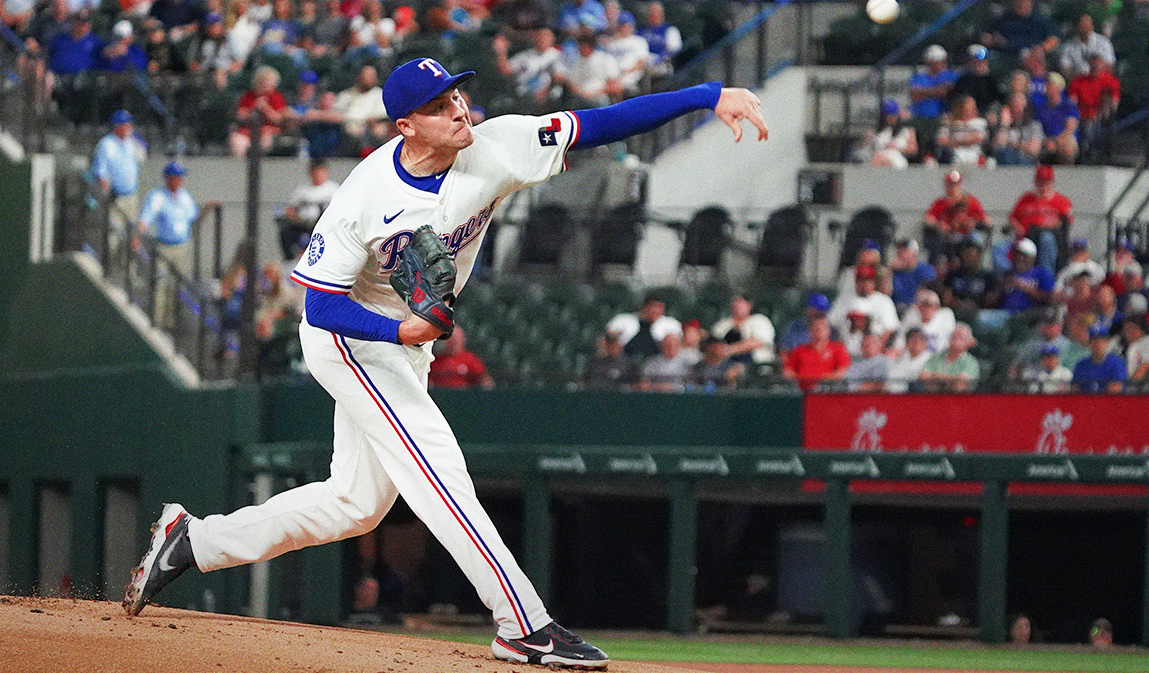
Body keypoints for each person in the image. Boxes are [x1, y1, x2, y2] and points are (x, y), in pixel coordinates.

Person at [122, 55, 768, 669]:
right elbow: (319, 307)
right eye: (438, 105)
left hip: (408, 340)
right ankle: (522, 624)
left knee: (356, 505)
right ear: (406, 126)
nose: (459, 109)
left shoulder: (497, 144)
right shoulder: (365, 197)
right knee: (439, 469)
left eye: (456, 94)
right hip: (353, 337)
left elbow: (598, 123)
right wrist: (399, 327)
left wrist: (707, 97)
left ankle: (193, 541)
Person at [137, 162, 201, 327]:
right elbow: (146, 217)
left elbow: (194, 217)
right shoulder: (158, 196)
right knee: (160, 283)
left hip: (182, 246)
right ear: (168, 178)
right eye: (176, 177)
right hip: (164, 246)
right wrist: (137, 235)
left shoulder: (185, 196)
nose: (179, 180)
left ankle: (171, 321)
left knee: (177, 285)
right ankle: (157, 321)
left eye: (181, 177)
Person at [1006, 164, 1073, 272]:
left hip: (1048, 238)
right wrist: (1018, 227)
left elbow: (1066, 223)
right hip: (1026, 238)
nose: (1043, 186)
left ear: (1052, 183)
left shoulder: (1061, 201)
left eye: (1046, 182)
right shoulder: (1026, 198)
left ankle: (1045, 275)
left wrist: (1047, 225)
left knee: (1046, 239)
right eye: (1040, 182)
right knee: (999, 248)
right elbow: (1012, 217)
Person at [91, 109, 145, 233]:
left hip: (131, 196)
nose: (129, 127)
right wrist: (106, 192)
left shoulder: (131, 143)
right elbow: (100, 171)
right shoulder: (106, 144)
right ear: (118, 126)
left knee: (131, 233)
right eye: (126, 124)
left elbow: (142, 155)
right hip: (114, 198)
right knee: (115, 233)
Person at [829, 263, 900, 350]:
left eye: (868, 280)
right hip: (846, 350)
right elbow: (831, 323)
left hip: (872, 353)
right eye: (861, 280)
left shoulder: (884, 301)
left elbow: (890, 329)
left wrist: (876, 349)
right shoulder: (844, 299)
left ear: (874, 282)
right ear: (856, 282)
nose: (865, 284)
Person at [924, 171, 989, 266]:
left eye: (955, 185)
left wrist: (974, 223)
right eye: (950, 185)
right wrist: (939, 225)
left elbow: (986, 221)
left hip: (968, 235)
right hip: (949, 236)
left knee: (977, 238)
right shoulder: (941, 203)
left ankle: (974, 267)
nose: (953, 188)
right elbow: (928, 219)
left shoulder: (970, 201)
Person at [280, 158, 340, 258]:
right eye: (315, 171)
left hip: (324, 224)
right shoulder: (303, 190)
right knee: (286, 231)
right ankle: (289, 260)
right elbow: (290, 209)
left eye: (320, 171)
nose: (317, 174)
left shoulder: (333, 189)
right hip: (303, 224)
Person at [1068, 54, 1120, 161]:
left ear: (1104, 64)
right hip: (1080, 116)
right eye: (1093, 62)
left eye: (1099, 62)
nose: (1096, 65)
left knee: (1093, 127)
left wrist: (1098, 115)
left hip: (1100, 118)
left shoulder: (1111, 81)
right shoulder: (1078, 81)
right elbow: (1071, 102)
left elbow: (1114, 103)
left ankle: (1092, 155)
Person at [230, 65, 288, 157]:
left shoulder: (277, 96)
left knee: (265, 143)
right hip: (249, 130)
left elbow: (279, 119)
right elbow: (241, 116)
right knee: (237, 141)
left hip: (268, 131)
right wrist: (254, 107)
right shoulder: (248, 96)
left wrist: (266, 108)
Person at [606, 292, 684, 359]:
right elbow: (608, 338)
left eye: (659, 307)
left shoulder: (672, 324)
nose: (655, 310)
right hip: (626, 363)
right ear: (644, 307)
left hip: (656, 365)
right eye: (652, 306)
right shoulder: (624, 319)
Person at [908, 44, 957, 151]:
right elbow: (914, 94)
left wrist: (925, 92)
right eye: (937, 61)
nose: (941, 63)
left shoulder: (950, 75)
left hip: (941, 118)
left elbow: (947, 92)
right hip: (921, 118)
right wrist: (936, 91)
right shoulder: (920, 77)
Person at [494, 29, 562, 104]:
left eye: (546, 37)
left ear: (552, 40)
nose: (543, 40)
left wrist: (546, 90)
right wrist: (502, 52)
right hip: (523, 95)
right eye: (540, 37)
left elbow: (560, 77)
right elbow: (505, 70)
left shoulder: (557, 55)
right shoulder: (525, 55)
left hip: (548, 97)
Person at [782, 316, 850, 392]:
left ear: (828, 331)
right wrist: (800, 380)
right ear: (810, 331)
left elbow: (842, 371)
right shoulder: (799, 350)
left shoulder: (838, 348)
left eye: (823, 328)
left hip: (828, 389)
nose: (819, 330)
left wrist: (822, 380)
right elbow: (787, 371)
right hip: (801, 390)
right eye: (816, 328)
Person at [334, 65, 391, 154]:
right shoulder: (346, 95)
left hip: (371, 131)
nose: (369, 79)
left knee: (378, 130)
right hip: (347, 131)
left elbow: (380, 117)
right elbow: (336, 115)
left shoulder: (380, 95)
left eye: (372, 76)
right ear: (358, 77)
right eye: (366, 76)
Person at [555, 32, 621, 107]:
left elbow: (616, 86)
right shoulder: (575, 60)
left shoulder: (606, 59)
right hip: (578, 97)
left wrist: (594, 93)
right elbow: (570, 81)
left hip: (599, 97)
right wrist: (579, 92)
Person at [944, 235, 1000, 321]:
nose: (965, 256)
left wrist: (976, 305)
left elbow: (992, 300)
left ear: (978, 254)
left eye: (970, 252)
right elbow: (946, 298)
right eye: (963, 252)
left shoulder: (989, 276)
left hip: (981, 315)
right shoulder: (953, 275)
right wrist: (959, 304)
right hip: (956, 313)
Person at [710, 293, 775, 365]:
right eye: (735, 302)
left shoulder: (759, 320)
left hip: (755, 364)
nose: (737, 306)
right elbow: (713, 342)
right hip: (724, 363)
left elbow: (758, 342)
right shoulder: (722, 324)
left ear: (749, 305)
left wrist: (729, 350)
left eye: (740, 303)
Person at [980, 0, 1059, 57]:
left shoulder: (1041, 20)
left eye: (1024, 2)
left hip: (1031, 56)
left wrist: (1042, 49)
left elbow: (1053, 39)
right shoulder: (1003, 20)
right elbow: (988, 35)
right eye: (1018, 2)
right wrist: (990, 39)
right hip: (1005, 55)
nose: (1021, 5)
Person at [1034, 73, 1080, 165]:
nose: (1047, 87)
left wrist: (1056, 142)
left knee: (1068, 148)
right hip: (1047, 139)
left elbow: (1070, 128)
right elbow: (1037, 127)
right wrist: (1046, 141)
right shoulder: (1041, 108)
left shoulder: (1068, 105)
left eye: (1050, 84)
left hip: (1064, 138)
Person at [919, 324, 980, 392]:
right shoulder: (936, 357)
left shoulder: (971, 362)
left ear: (968, 342)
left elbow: (961, 383)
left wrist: (937, 377)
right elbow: (922, 376)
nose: (956, 340)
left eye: (960, 337)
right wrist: (951, 379)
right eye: (953, 336)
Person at [859, 98, 918, 169]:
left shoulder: (906, 130)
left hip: (896, 158)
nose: (890, 119)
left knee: (878, 159)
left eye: (893, 116)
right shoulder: (879, 131)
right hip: (878, 155)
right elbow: (864, 147)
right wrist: (867, 138)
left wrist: (895, 147)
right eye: (888, 117)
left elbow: (913, 149)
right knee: (875, 158)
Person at [948, 45, 1003, 119]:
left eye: (984, 61)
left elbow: (1000, 98)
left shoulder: (991, 80)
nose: (981, 64)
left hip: (987, 117)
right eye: (977, 61)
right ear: (969, 61)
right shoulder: (962, 81)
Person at [429, 328, 493, 388]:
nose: (454, 343)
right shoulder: (435, 359)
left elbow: (483, 379)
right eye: (451, 340)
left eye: (456, 339)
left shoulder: (470, 359)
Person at [896, 288, 955, 354]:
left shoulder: (946, 315)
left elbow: (951, 344)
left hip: (936, 360)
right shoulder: (911, 315)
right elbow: (899, 342)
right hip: (912, 358)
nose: (928, 309)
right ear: (918, 307)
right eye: (924, 305)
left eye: (932, 305)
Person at [992, 91, 1043, 166]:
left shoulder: (1034, 125)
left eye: (1020, 102)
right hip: (1005, 160)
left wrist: (1014, 145)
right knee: (1005, 153)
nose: (1017, 105)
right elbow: (998, 146)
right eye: (1015, 102)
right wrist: (1005, 124)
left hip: (1027, 161)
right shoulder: (1003, 125)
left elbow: (1033, 149)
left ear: (1025, 104)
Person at [935, 95, 989, 165]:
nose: (968, 109)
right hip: (952, 154)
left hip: (974, 153)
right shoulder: (948, 121)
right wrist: (964, 141)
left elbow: (978, 138)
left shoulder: (980, 122)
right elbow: (941, 140)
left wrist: (956, 141)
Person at [1057, 14, 1115, 78]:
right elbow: (1065, 67)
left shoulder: (1103, 42)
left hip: (1099, 80)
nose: (1085, 26)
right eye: (1082, 23)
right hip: (1078, 81)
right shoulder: (1068, 45)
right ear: (1077, 26)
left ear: (1092, 25)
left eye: (1087, 23)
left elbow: (1109, 65)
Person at [605, 11, 649, 95]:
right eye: (621, 25)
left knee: (618, 87)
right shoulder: (611, 43)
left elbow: (641, 62)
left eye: (626, 25)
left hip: (631, 75)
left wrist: (626, 71)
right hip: (612, 75)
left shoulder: (639, 41)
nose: (624, 28)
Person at [1073, 324, 1126, 392]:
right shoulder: (1081, 364)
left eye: (1102, 340)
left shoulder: (1117, 363)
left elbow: (1115, 389)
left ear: (1107, 342)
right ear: (1089, 343)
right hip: (1085, 401)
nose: (1098, 344)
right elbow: (1075, 389)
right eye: (1094, 341)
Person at [889, 239, 936, 312]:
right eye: (899, 250)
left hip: (918, 309)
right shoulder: (895, 272)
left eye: (905, 250)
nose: (901, 253)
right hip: (896, 308)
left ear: (913, 253)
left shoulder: (925, 269)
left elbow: (930, 289)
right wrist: (889, 271)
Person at [638, 1, 681, 76]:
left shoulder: (669, 30)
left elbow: (673, 49)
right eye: (651, 13)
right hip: (640, 62)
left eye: (655, 13)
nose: (653, 15)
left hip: (661, 64)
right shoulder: (641, 30)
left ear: (661, 14)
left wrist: (657, 59)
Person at [889, 327, 931, 392]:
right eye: (913, 339)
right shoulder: (901, 358)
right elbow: (893, 378)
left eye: (920, 339)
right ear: (907, 343)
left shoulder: (931, 359)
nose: (916, 342)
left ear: (924, 343)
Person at [1122, 314, 1149, 382]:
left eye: (1132, 328)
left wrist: (1131, 385)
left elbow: (1144, 366)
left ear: (1141, 329)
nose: (1128, 332)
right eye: (1126, 329)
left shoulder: (1146, 342)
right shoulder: (1131, 345)